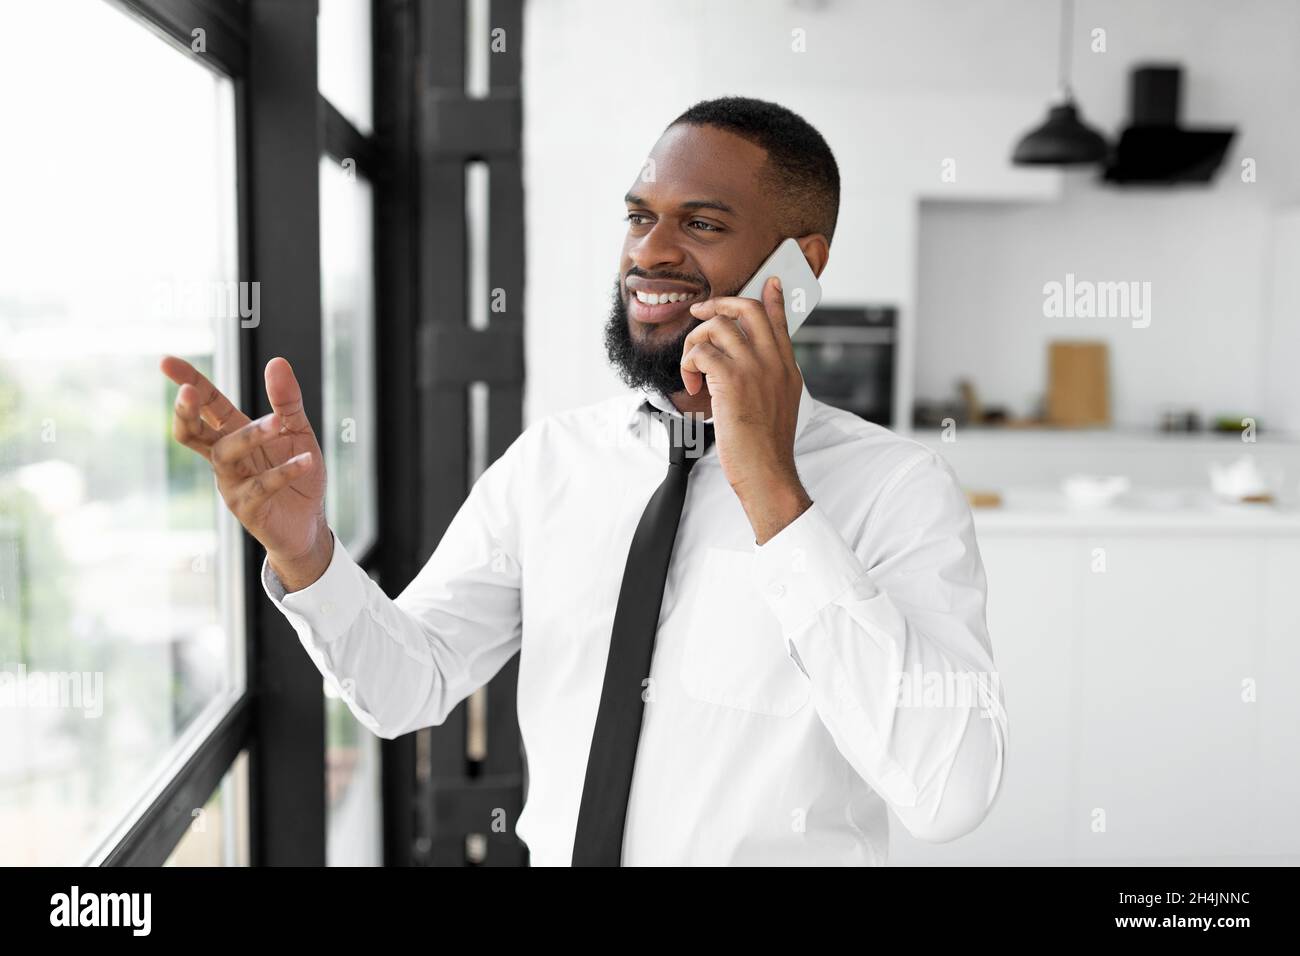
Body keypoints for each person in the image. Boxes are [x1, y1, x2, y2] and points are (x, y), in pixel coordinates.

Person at [161, 96, 1006, 866]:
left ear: (800, 262)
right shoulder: (554, 463)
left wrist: (774, 493)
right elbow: (404, 687)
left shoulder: (899, 490)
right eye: (641, 217)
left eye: (701, 224)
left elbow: (950, 795)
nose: (651, 252)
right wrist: (305, 552)